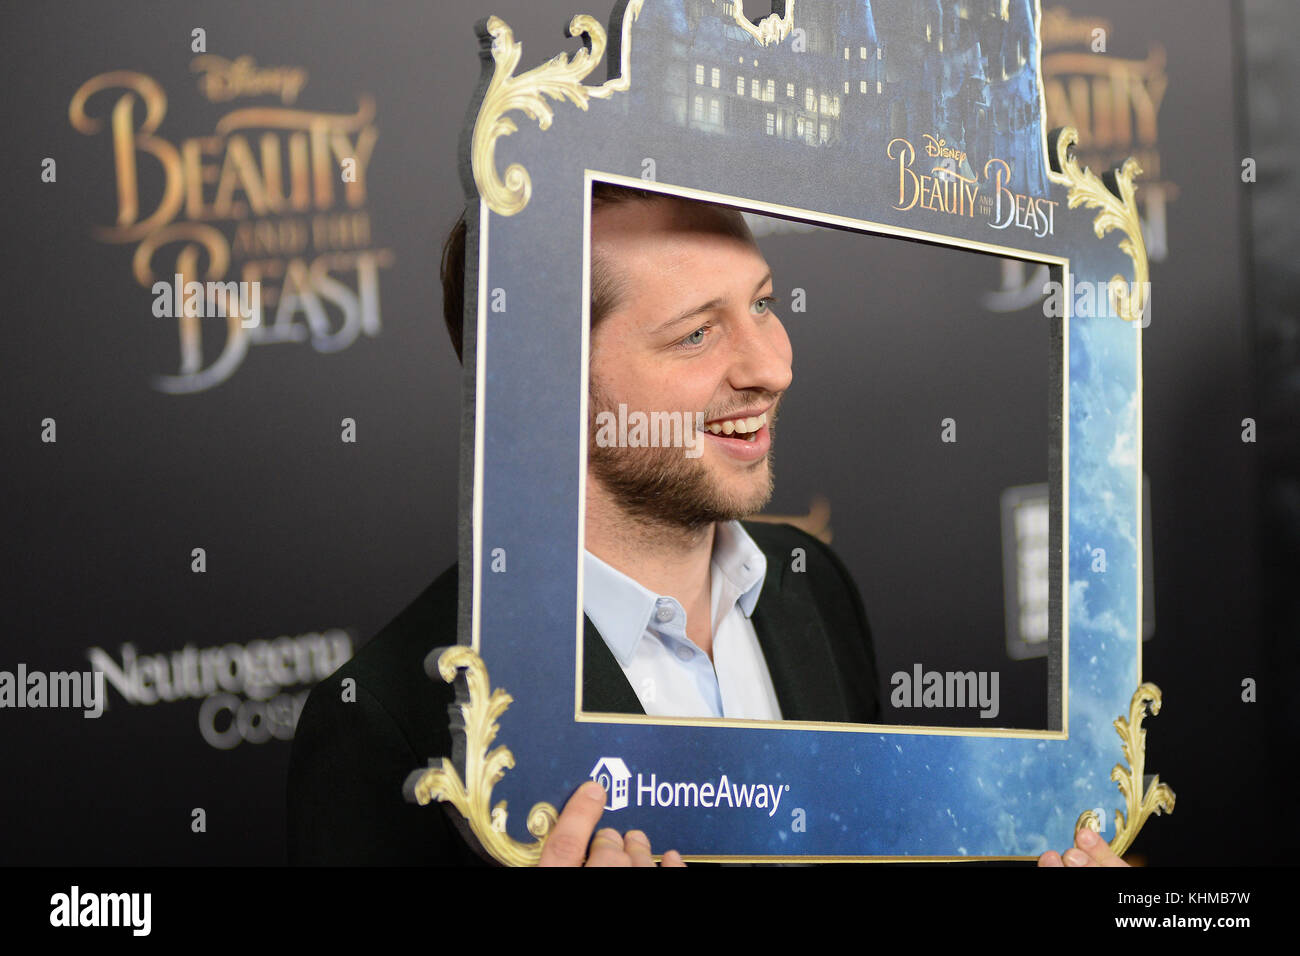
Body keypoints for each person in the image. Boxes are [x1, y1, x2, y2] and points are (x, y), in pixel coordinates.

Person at [287, 183, 1128, 868]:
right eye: (696, 334)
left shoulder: (811, 584)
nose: (773, 367)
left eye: (762, 304)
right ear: (539, 385)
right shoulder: (387, 721)